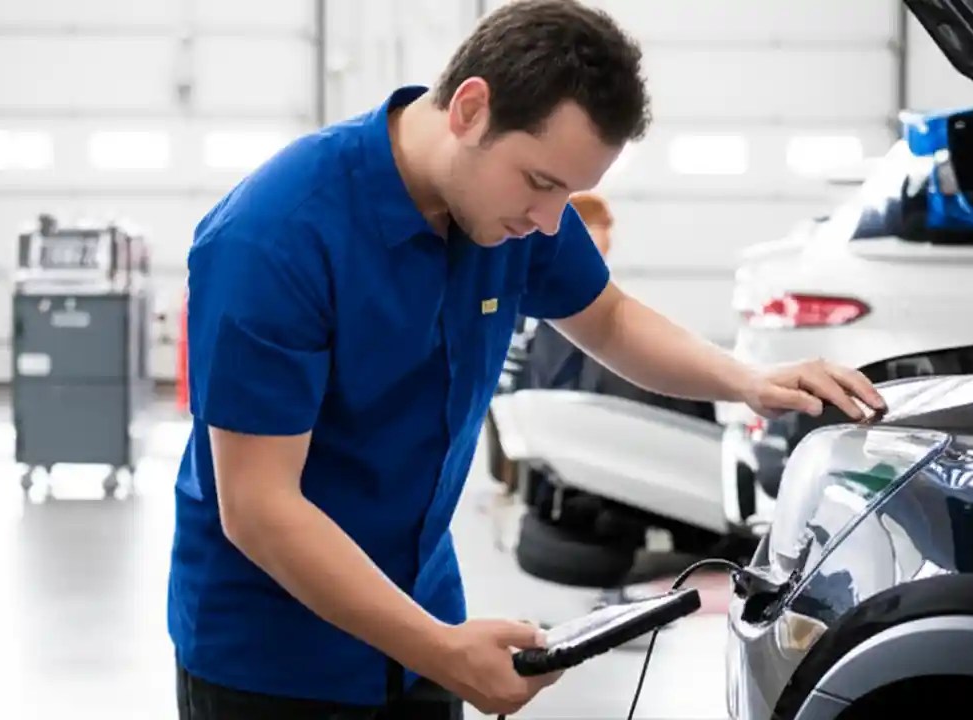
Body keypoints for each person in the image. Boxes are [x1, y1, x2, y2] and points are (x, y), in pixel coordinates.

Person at [170, 1, 888, 718]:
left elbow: (605, 317)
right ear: (470, 109)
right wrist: (439, 651)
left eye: (569, 195)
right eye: (543, 185)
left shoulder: (507, 207)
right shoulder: (274, 240)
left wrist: (748, 380)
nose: (550, 224)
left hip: (424, 615)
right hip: (273, 660)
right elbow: (261, 509)